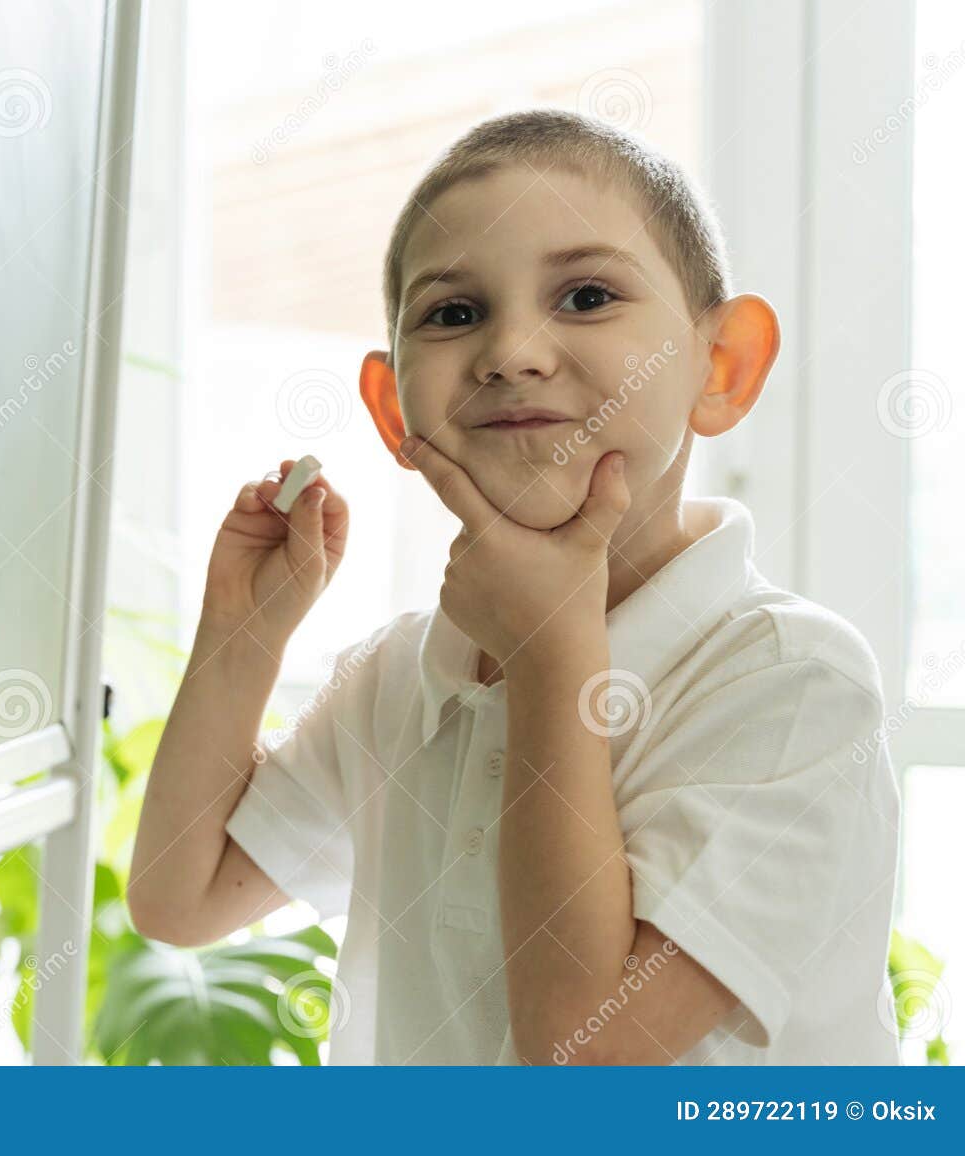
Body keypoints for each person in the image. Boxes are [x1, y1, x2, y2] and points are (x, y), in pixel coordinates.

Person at [127, 109, 902, 1065]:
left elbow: (578, 1067)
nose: (512, 352)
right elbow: (180, 896)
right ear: (390, 405)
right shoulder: (398, 674)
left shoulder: (793, 683)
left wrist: (550, 652)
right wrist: (245, 635)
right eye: (454, 313)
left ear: (723, 366)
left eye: (585, 295)